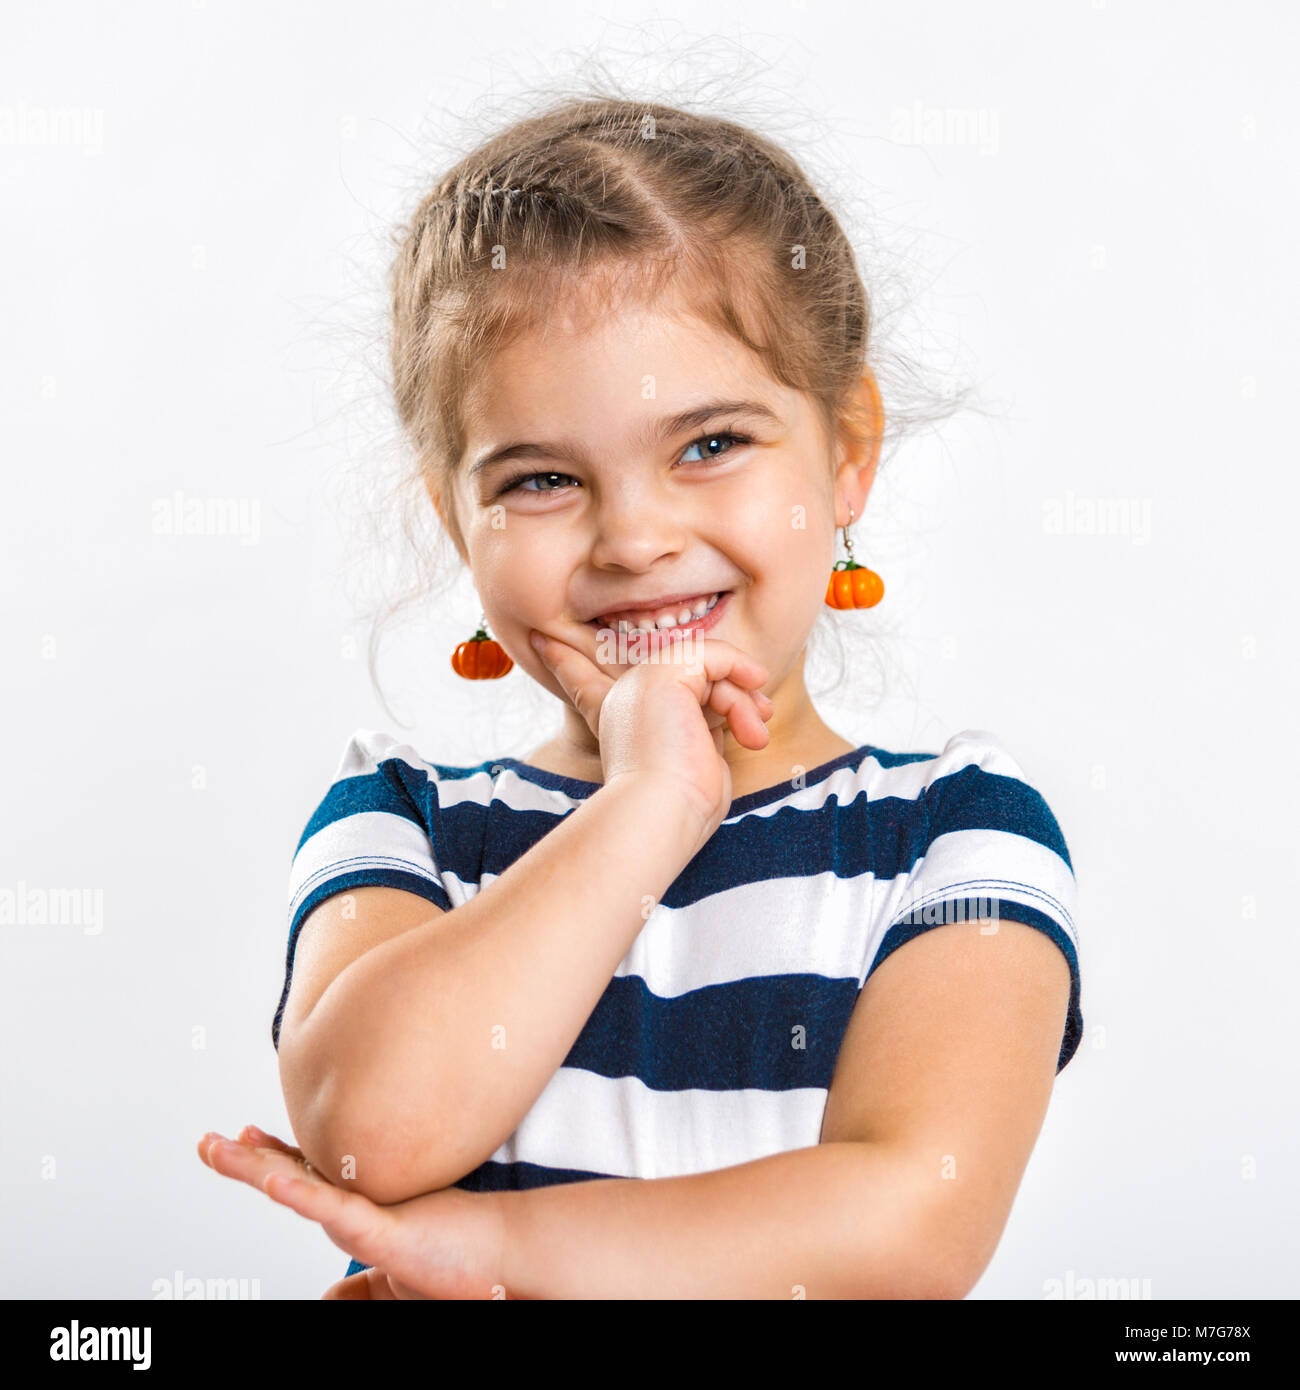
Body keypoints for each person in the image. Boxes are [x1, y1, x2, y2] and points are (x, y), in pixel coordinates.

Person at [198, 95, 1082, 1300]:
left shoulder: (955, 833)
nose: (634, 539)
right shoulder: (399, 821)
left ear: (849, 450)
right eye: (545, 476)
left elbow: (909, 1220)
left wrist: (505, 1251)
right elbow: (372, 1137)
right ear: (457, 517)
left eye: (710, 444)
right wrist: (650, 801)